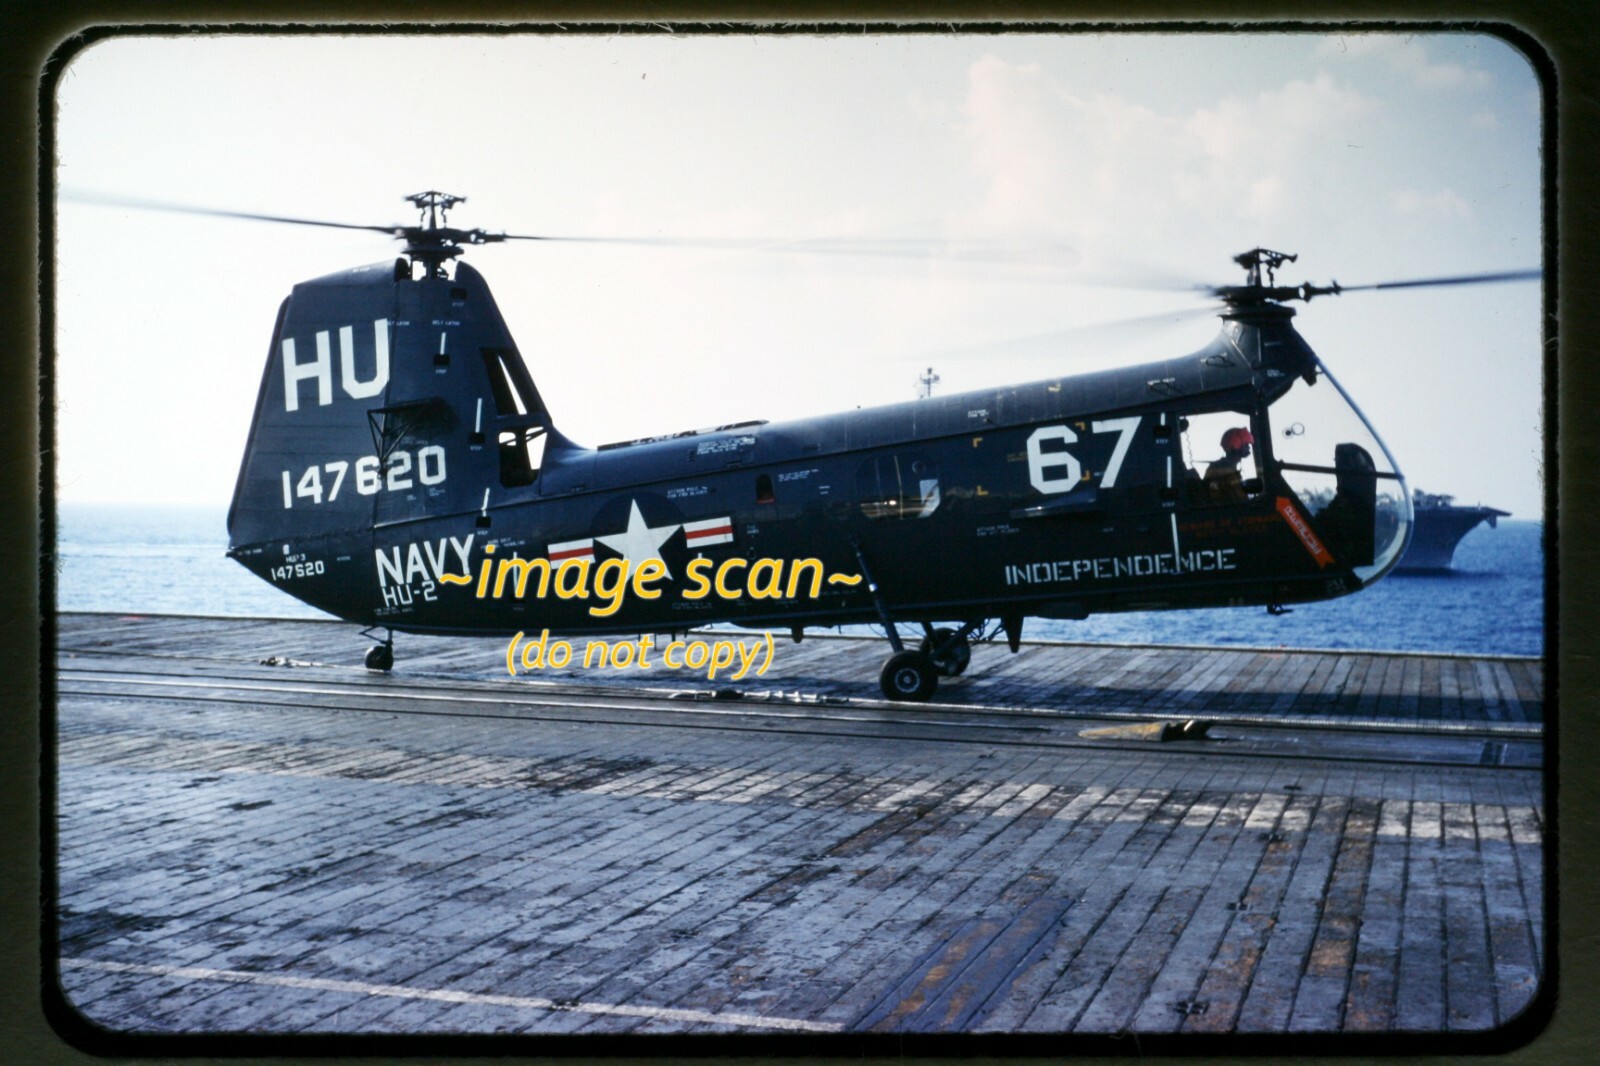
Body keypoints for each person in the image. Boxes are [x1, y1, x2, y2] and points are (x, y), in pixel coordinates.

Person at [1204, 426, 1253, 502]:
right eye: (1246, 444)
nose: (1249, 448)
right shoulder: (1224, 470)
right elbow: (1239, 500)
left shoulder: (1221, 467)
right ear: (1235, 444)